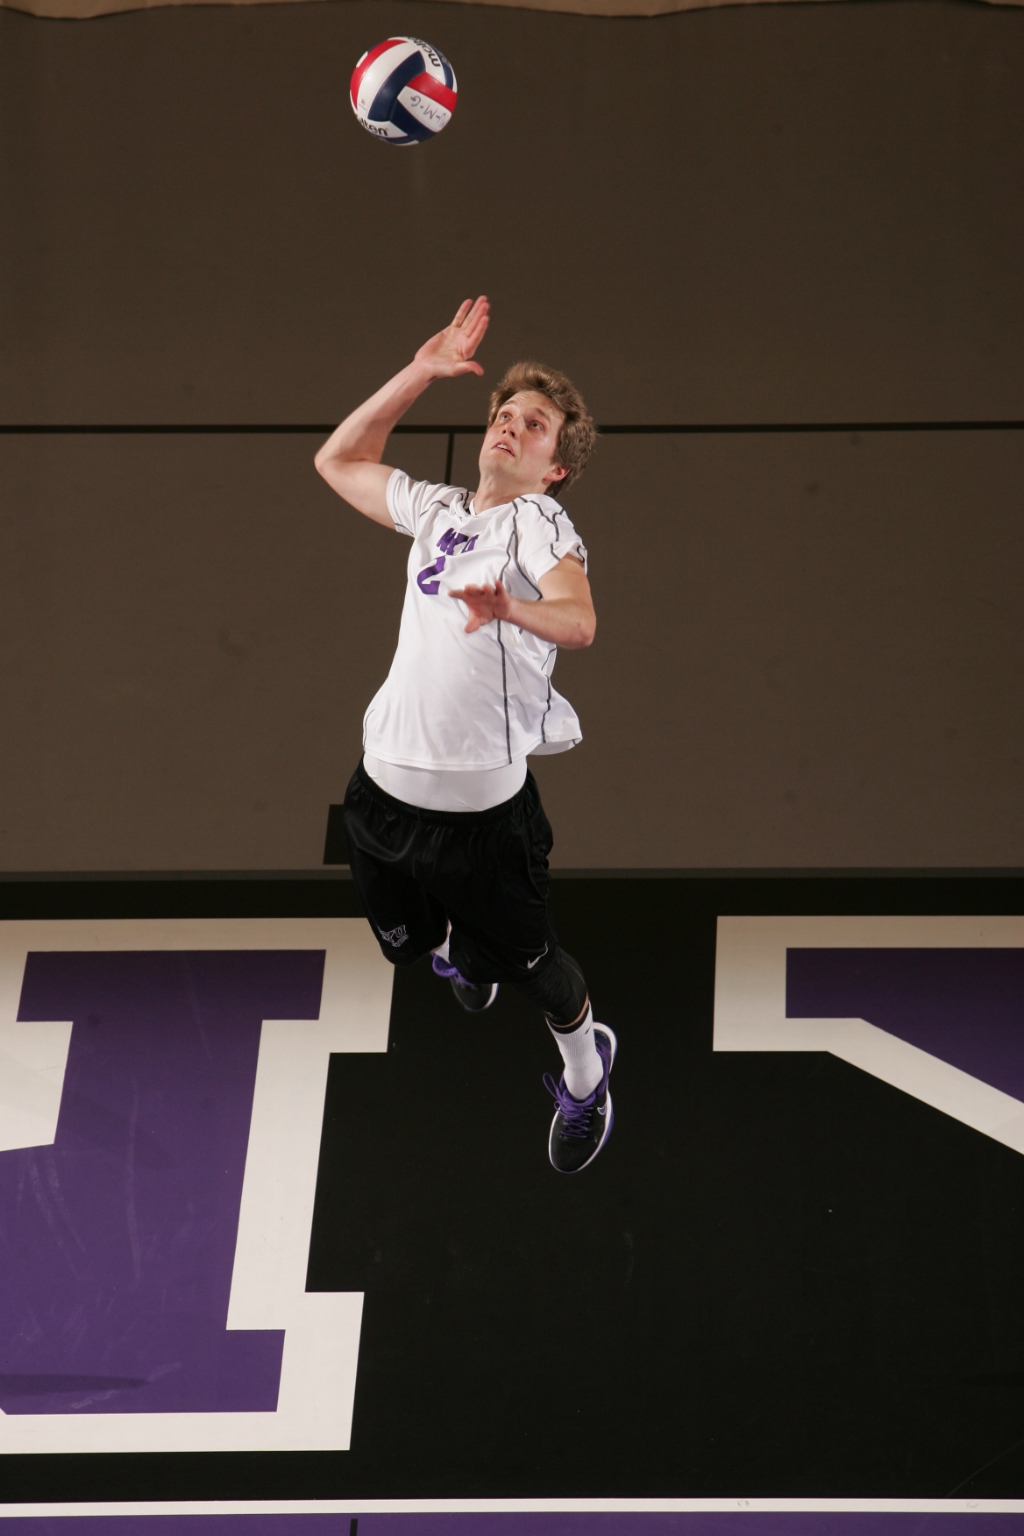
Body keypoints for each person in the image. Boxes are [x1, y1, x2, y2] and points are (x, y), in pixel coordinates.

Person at [314, 296, 616, 1174]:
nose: (511, 428)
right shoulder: (441, 510)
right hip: (380, 795)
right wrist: (420, 370)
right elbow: (338, 460)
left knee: (541, 973)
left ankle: (588, 1072)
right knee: (410, 949)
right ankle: (458, 952)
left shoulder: (538, 523)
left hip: (484, 824)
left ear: (556, 468)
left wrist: (509, 607)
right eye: (503, 415)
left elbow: (581, 622)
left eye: (535, 426)